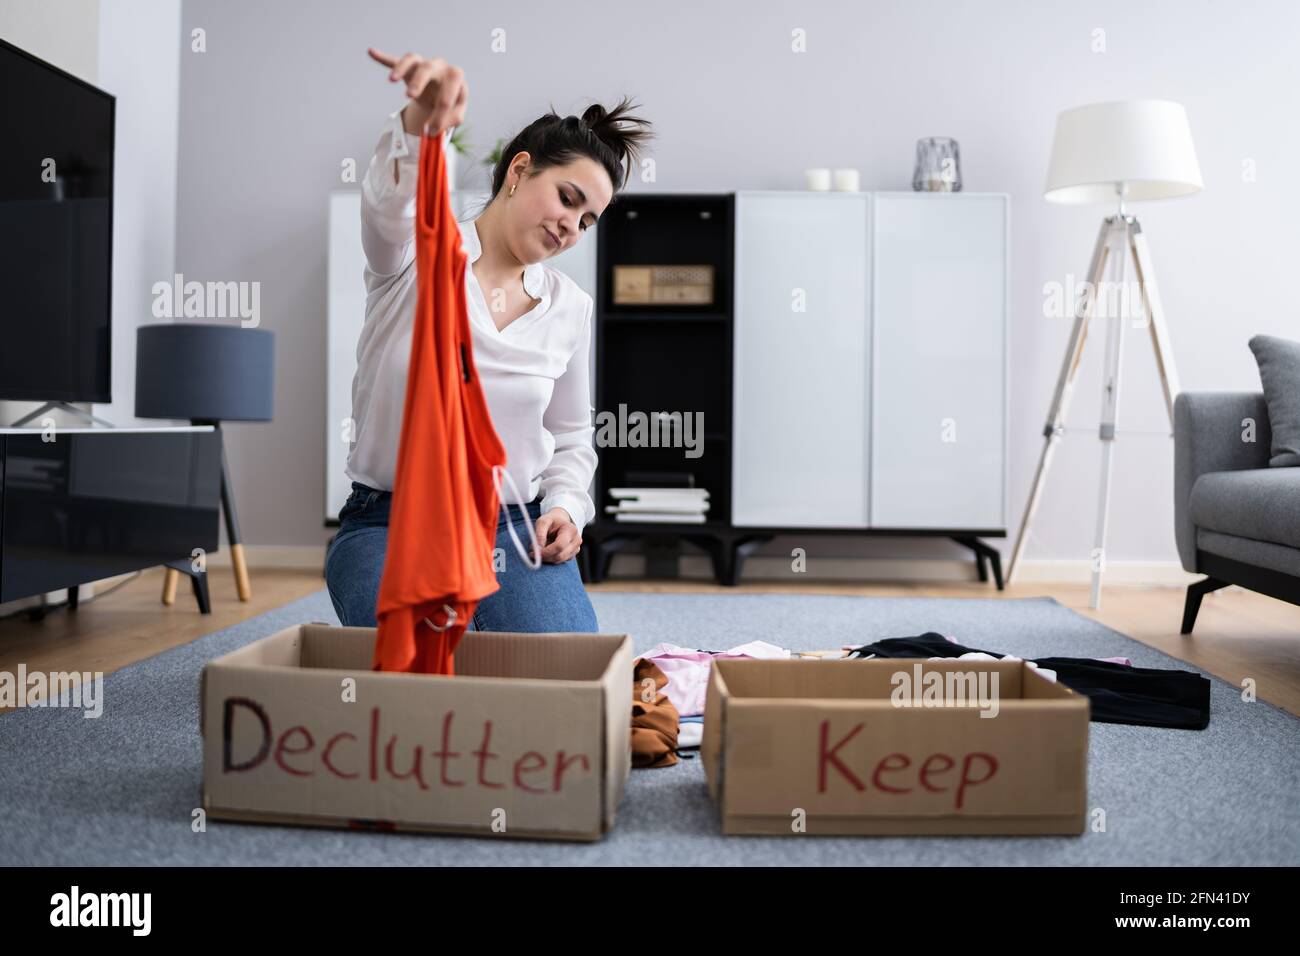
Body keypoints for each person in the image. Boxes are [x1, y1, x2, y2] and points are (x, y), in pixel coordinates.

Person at [326, 49, 653, 632]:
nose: (571, 227)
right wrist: (421, 126)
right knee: (416, 671)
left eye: (587, 221)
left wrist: (565, 508)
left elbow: (572, 437)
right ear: (520, 170)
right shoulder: (414, 256)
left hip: (514, 526)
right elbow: (387, 206)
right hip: (390, 521)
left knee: (565, 681)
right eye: (568, 199)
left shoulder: (569, 309)